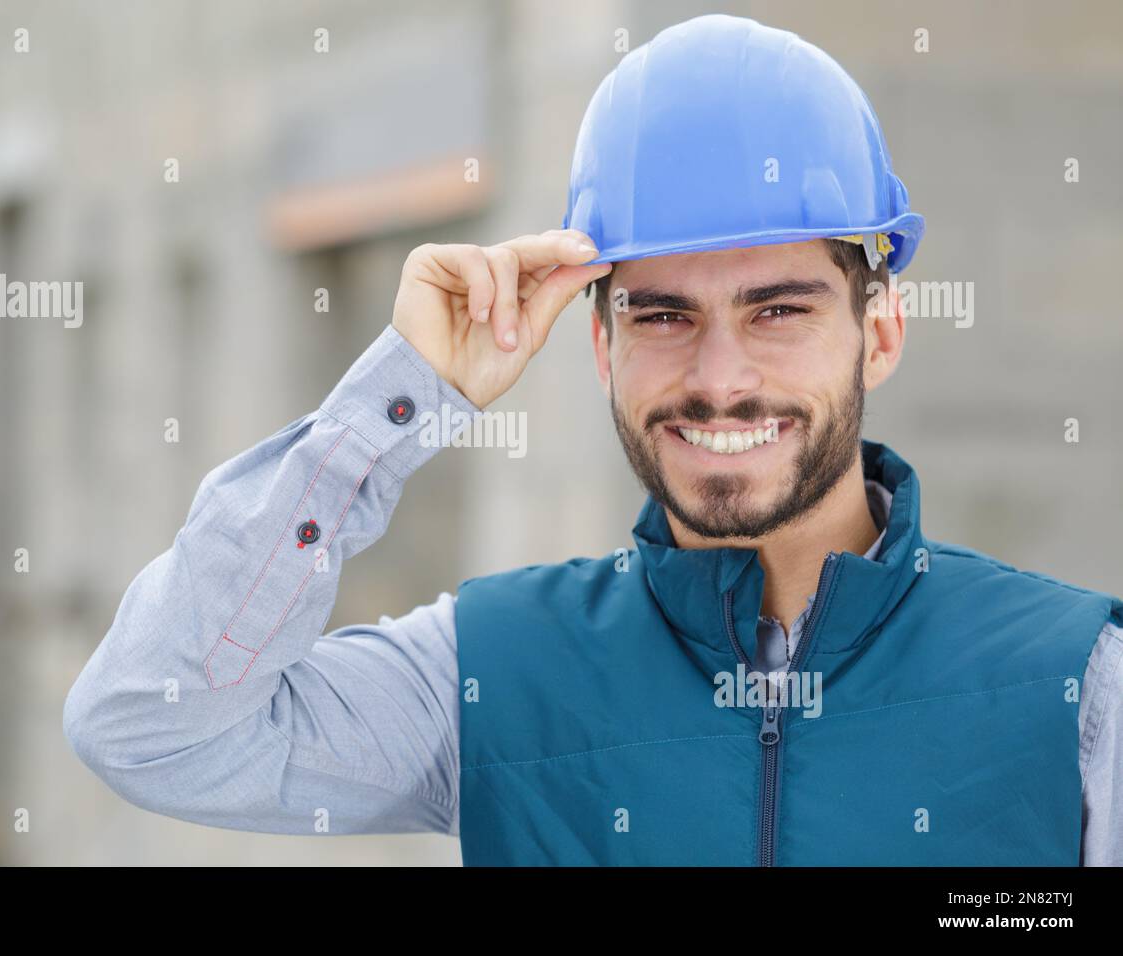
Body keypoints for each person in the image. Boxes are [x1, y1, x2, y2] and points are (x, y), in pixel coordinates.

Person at [63, 14, 1123, 865]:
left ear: (878, 332)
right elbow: (150, 724)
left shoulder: (1076, 684)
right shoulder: (490, 673)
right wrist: (397, 398)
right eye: (663, 314)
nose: (718, 378)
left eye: (778, 310)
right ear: (602, 346)